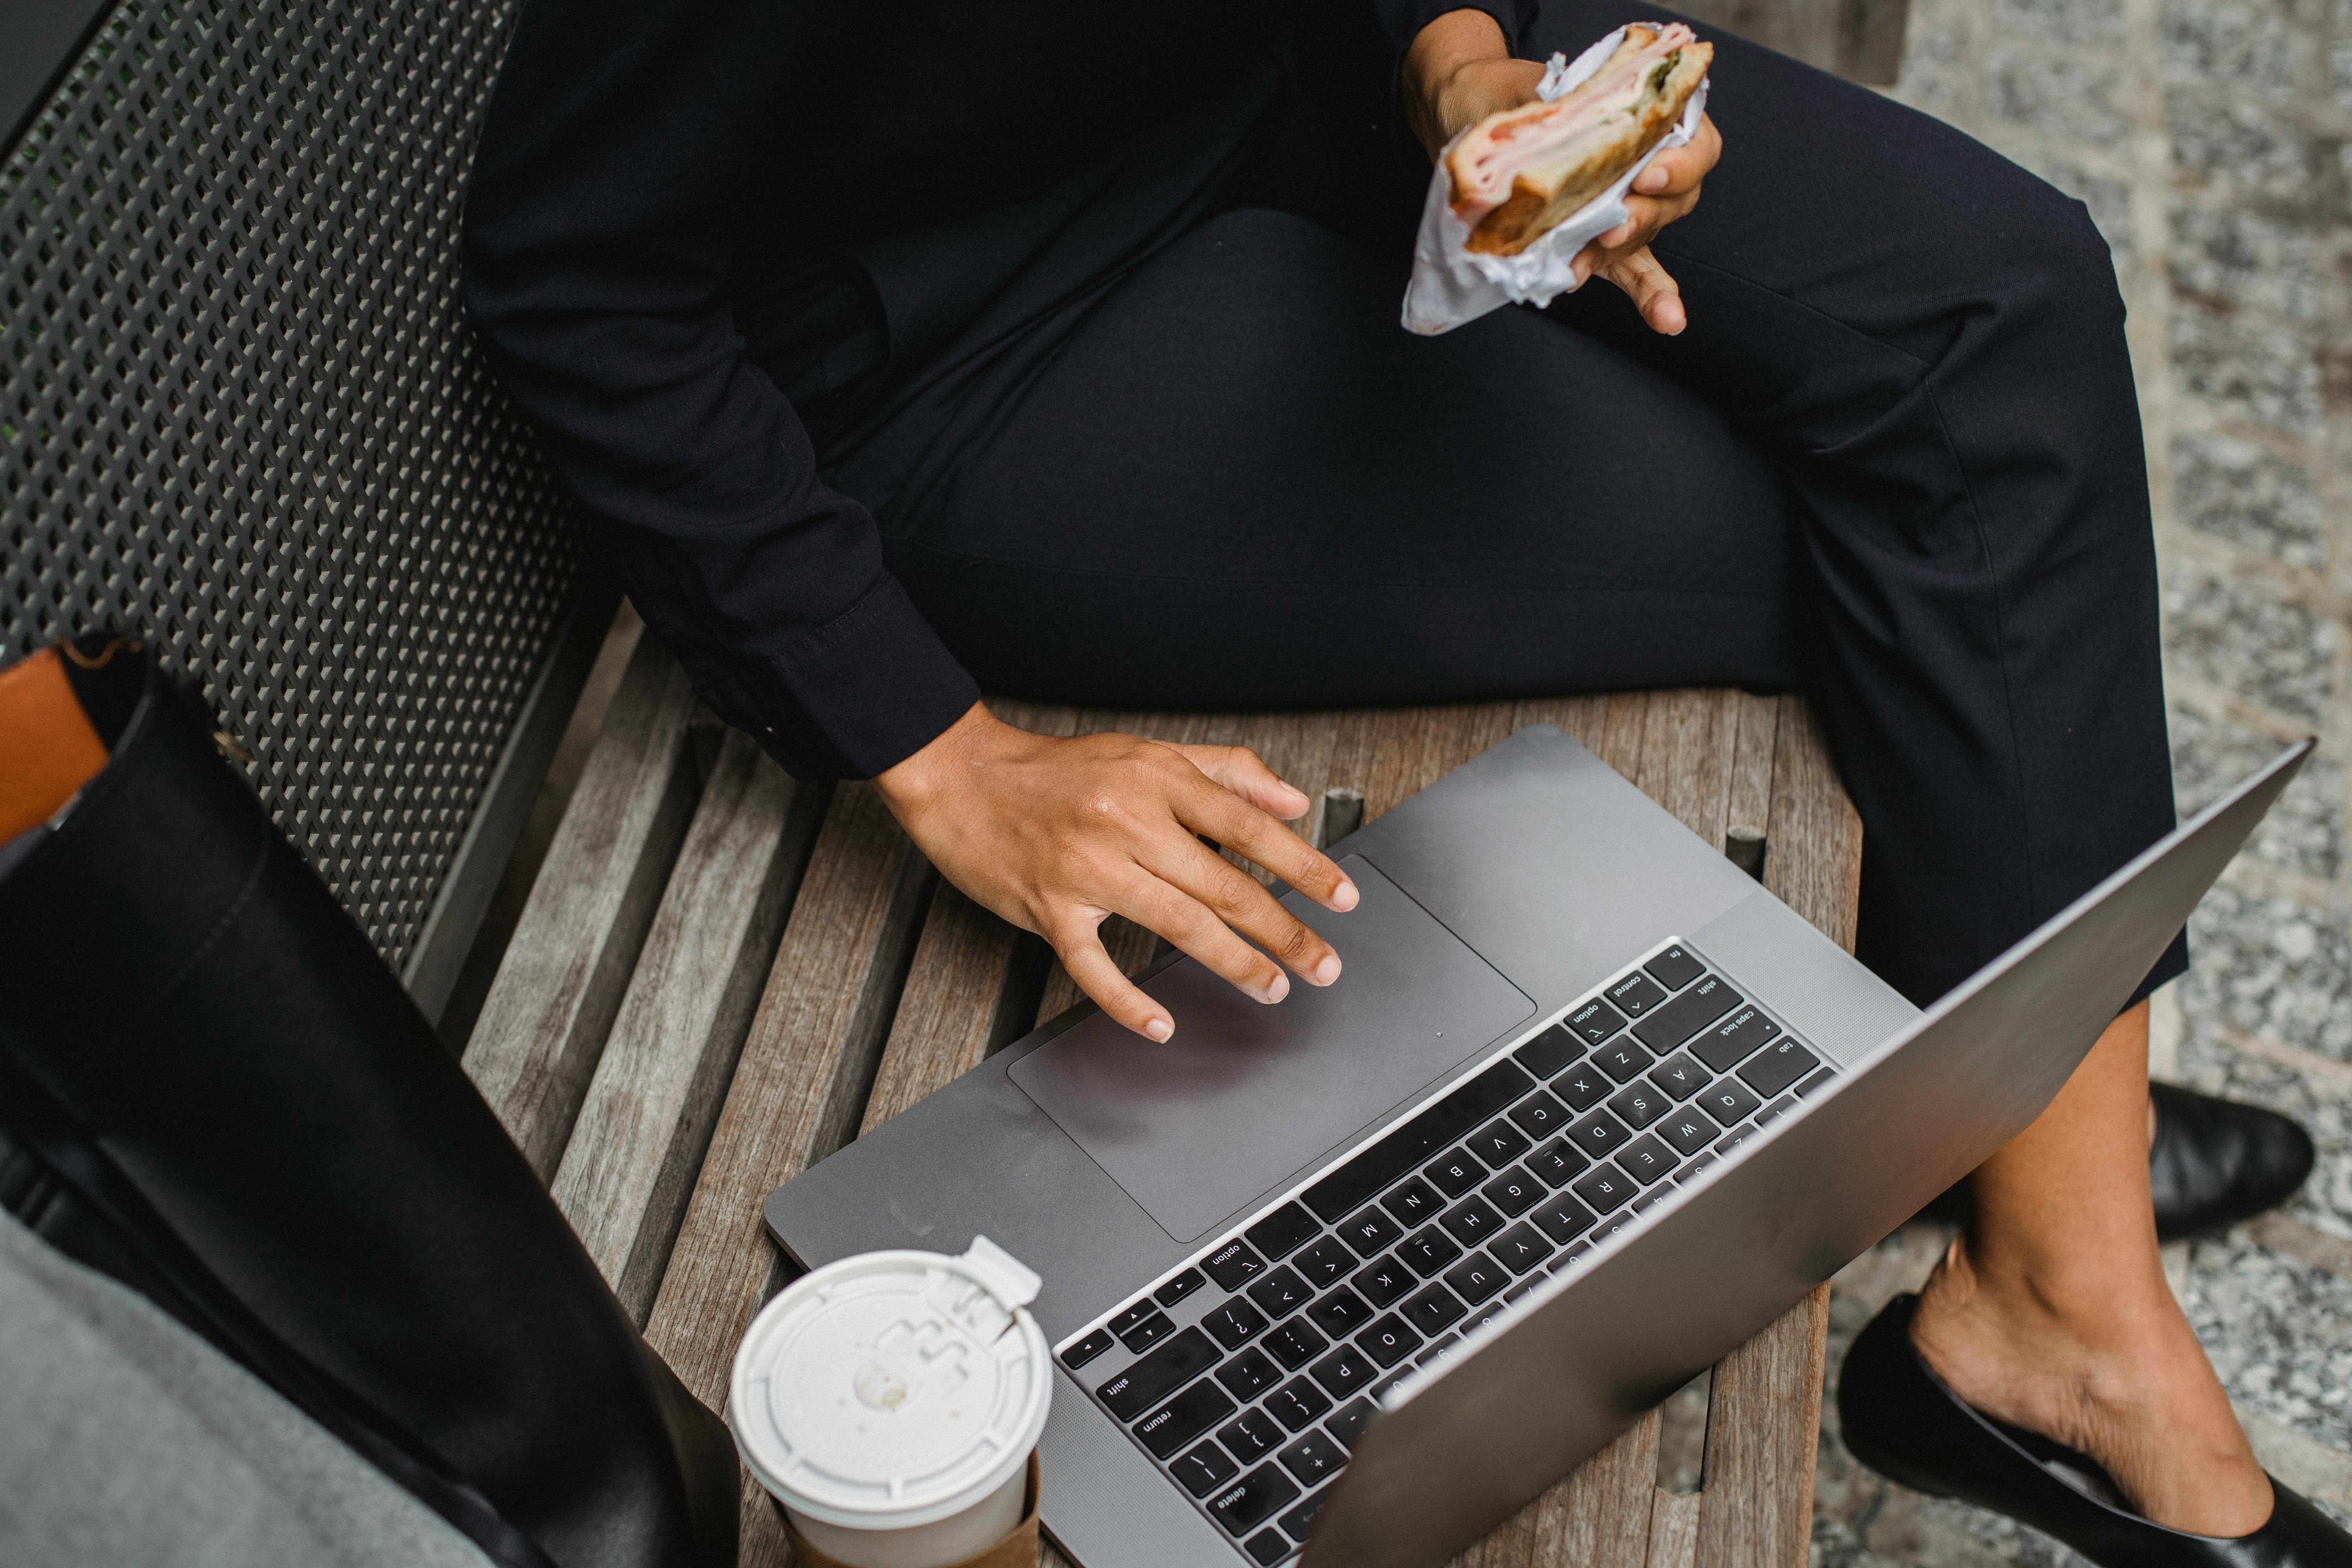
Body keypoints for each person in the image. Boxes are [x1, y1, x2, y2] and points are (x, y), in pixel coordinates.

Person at [460, 0, 2337, 1558]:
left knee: (1996, 305)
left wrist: (1468, 70)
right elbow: (572, 272)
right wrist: (947, 758)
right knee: (1856, 531)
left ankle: (2041, 1196)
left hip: (1301, 74)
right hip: (981, 318)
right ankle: (2059, 1257)